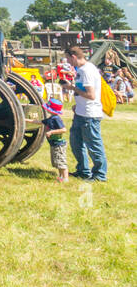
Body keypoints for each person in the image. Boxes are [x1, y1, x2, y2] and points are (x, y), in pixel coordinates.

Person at [66, 44, 107, 182]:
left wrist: (72, 88)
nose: (67, 62)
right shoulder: (81, 70)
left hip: (90, 114)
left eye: (68, 59)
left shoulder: (87, 71)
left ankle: (100, 175)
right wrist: (76, 105)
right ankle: (83, 170)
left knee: (94, 145)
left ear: (73, 57)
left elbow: (91, 95)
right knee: (76, 143)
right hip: (81, 112)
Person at [42, 97, 69, 183]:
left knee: (61, 161)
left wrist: (52, 132)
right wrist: (25, 120)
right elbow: (39, 122)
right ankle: (61, 176)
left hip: (59, 144)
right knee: (57, 161)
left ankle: (65, 178)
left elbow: (64, 130)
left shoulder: (56, 119)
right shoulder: (51, 118)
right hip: (54, 143)